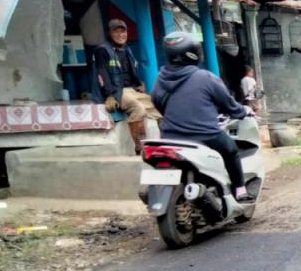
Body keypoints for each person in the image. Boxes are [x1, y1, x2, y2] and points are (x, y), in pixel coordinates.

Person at [150, 32, 250, 202]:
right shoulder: (205, 77)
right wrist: (242, 111)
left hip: (170, 138)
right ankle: (240, 190)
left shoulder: (160, 79)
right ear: (192, 53)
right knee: (232, 151)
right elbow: (228, 103)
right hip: (206, 135)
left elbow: (157, 102)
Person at [92, 18, 161, 153]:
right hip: (117, 92)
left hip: (130, 90)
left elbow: (130, 71)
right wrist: (110, 95)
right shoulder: (102, 50)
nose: (120, 35)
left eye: (123, 31)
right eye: (116, 31)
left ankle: (168, 146)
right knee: (138, 108)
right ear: (109, 33)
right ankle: (140, 149)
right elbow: (102, 74)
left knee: (160, 107)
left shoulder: (126, 49)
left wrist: (138, 84)